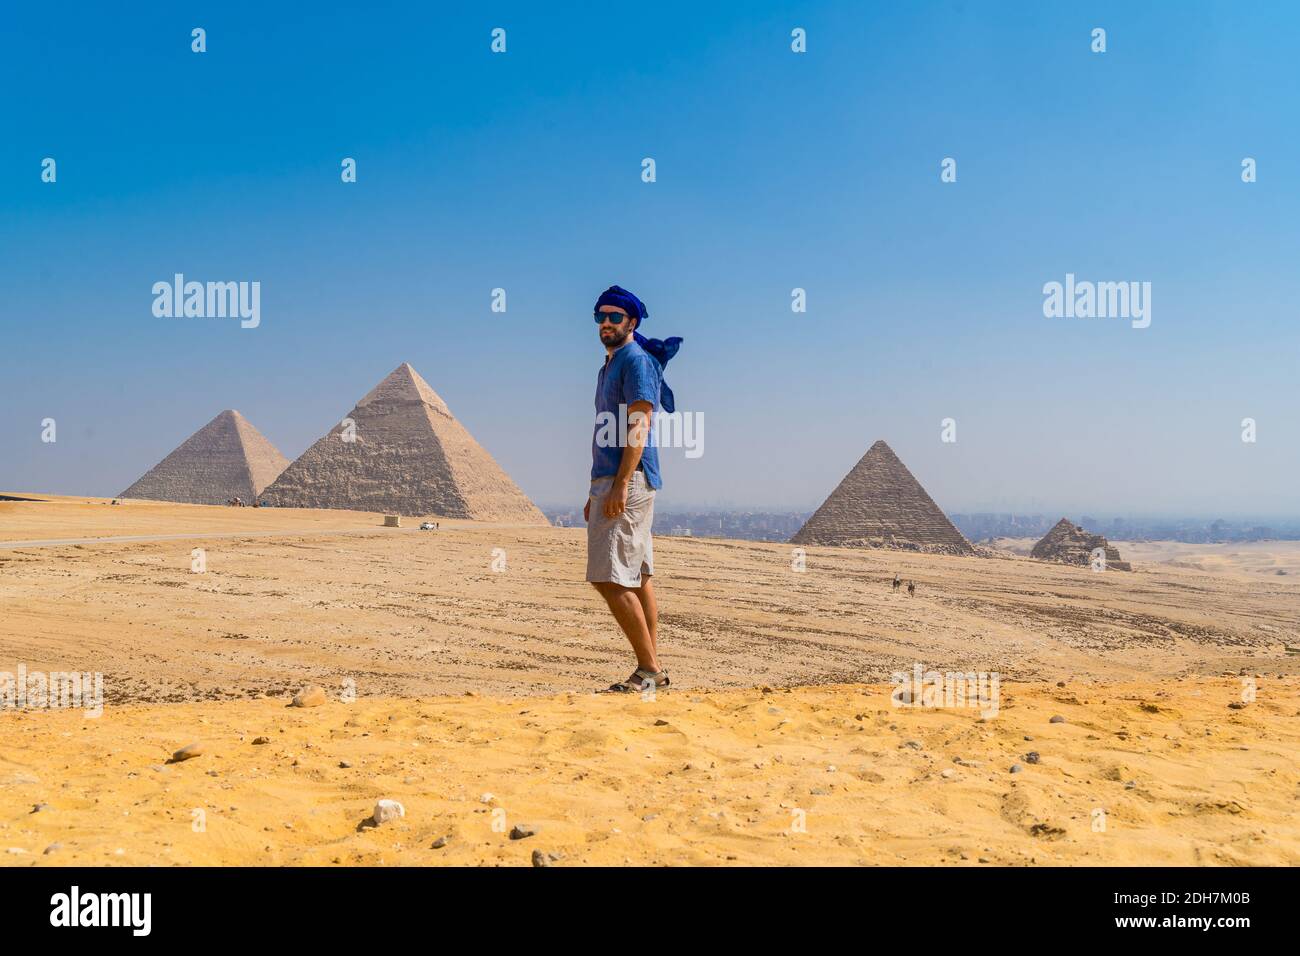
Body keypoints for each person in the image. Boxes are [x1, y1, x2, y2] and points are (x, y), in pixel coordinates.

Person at [584, 285, 682, 693]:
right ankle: (652, 670)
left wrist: (620, 484)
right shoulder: (610, 364)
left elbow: (639, 426)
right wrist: (595, 488)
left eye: (614, 317)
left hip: (630, 477)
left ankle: (649, 670)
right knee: (638, 576)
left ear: (632, 322)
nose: (606, 323)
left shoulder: (635, 361)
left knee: (608, 578)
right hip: (613, 478)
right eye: (600, 317)